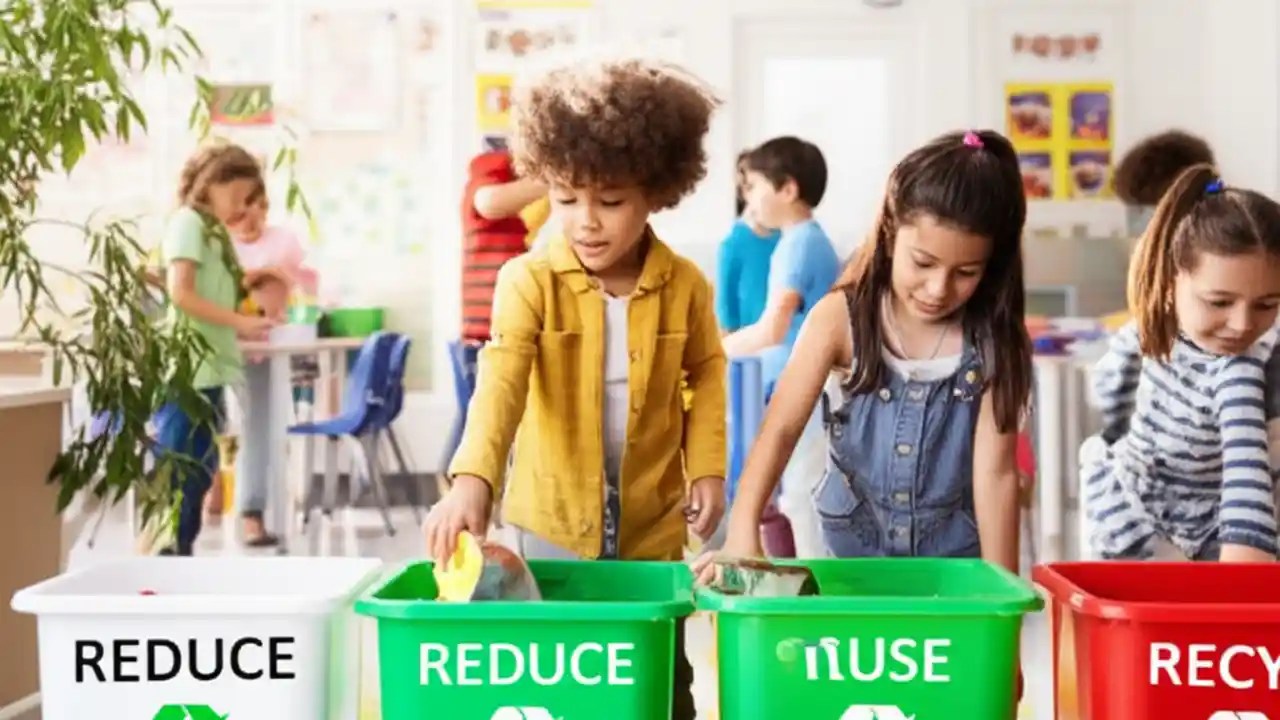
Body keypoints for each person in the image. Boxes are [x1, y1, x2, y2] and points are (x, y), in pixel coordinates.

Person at [424, 57, 725, 720]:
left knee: (661, 680)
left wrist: (706, 467)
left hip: (651, 522)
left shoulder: (686, 286)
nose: (585, 220)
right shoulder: (527, 280)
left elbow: (705, 372)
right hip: (551, 519)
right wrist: (474, 476)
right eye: (564, 199)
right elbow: (500, 378)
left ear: (656, 193)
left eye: (611, 202)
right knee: (563, 679)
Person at [698, 129, 1032, 578]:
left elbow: (996, 476)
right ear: (892, 234)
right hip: (852, 558)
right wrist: (742, 532)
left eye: (966, 272)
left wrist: (1003, 602)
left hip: (955, 567)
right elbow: (779, 430)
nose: (938, 289)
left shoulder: (996, 341)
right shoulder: (840, 318)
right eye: (924, 263)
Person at [1082, 164, 1280, 562]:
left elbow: (1247, 474)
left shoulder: (1238, 370)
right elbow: (1111, 395)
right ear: (1170, 283)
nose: (1243, 326)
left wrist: (1244, 572)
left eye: (1268, 305)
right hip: (1139, 502)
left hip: (1210, 523)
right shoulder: (1145, 331)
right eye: (1219, 302)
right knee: (1094, 458)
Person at [722, 136, 840, 558]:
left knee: (804, 494)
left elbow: (773, 328)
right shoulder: (799, 240)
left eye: (753, 187)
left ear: (788, 189)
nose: (749, 200)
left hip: (810, 386)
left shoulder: (800, 244)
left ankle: (815, 602)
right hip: (797, 383)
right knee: (798, 492)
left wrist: (713, 352)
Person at [156, 142, 276, 556]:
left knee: (198, 472)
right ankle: (166, 563)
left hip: (211, 370)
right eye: (238, 197)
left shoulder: (214, 233)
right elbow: (181, 293)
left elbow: (218, 294)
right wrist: (242, 323)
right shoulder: (189, 222)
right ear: (212, 184)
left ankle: (177, 559)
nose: (242, 209)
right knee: (182, 478)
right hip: (189, 371)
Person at [227, 195, 316, 547]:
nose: (249, 219)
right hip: (217, 345)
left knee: (258, 428)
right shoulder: (216, 244)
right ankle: (206, 498)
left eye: (256, 208)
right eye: (240, 211)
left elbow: (290, 289)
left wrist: (264, 279)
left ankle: (253, 514)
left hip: (263, 350)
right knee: (210, 423)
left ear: (265, 206)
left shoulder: (283, 241)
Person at [715, 150, 780, 332]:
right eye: (747, 185)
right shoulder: (733, 245)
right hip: (751, 351)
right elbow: (727, 318)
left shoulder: (793, 237)